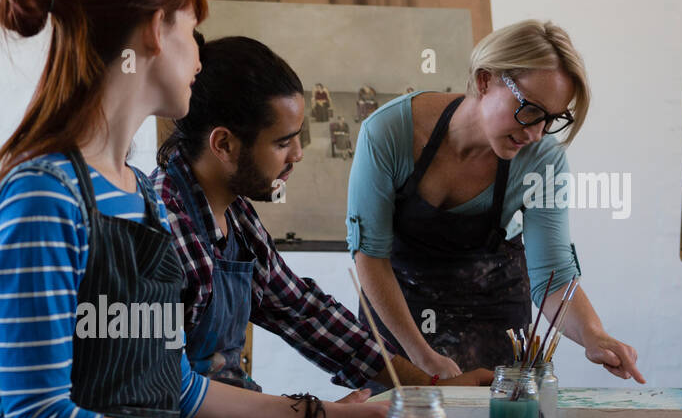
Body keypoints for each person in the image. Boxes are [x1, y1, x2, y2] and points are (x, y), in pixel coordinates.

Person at [0, 0, 387, 418]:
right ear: (153, 31)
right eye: (192, 32)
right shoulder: (43, 195)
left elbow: (174, 385)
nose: (199, 56)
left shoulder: (139, 194)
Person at [152, 35, 492, 393]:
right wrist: (312, 417)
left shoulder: (237, 217)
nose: (297, 154)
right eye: (282, 142)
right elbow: (170, 391)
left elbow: (304, 313)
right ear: (223, 144)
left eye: (298, 137)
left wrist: (428, 386)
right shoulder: (165, 224)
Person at [348, 19, 645, 382]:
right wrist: (421, 357)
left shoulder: (542, 159)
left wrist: (593, 335)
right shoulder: (390, 132)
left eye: (551, 118)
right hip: (398, 316)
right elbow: (370, 254)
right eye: (530, 110)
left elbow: (552, 275)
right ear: (485, 80)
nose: (536, 133)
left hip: (492, 321)